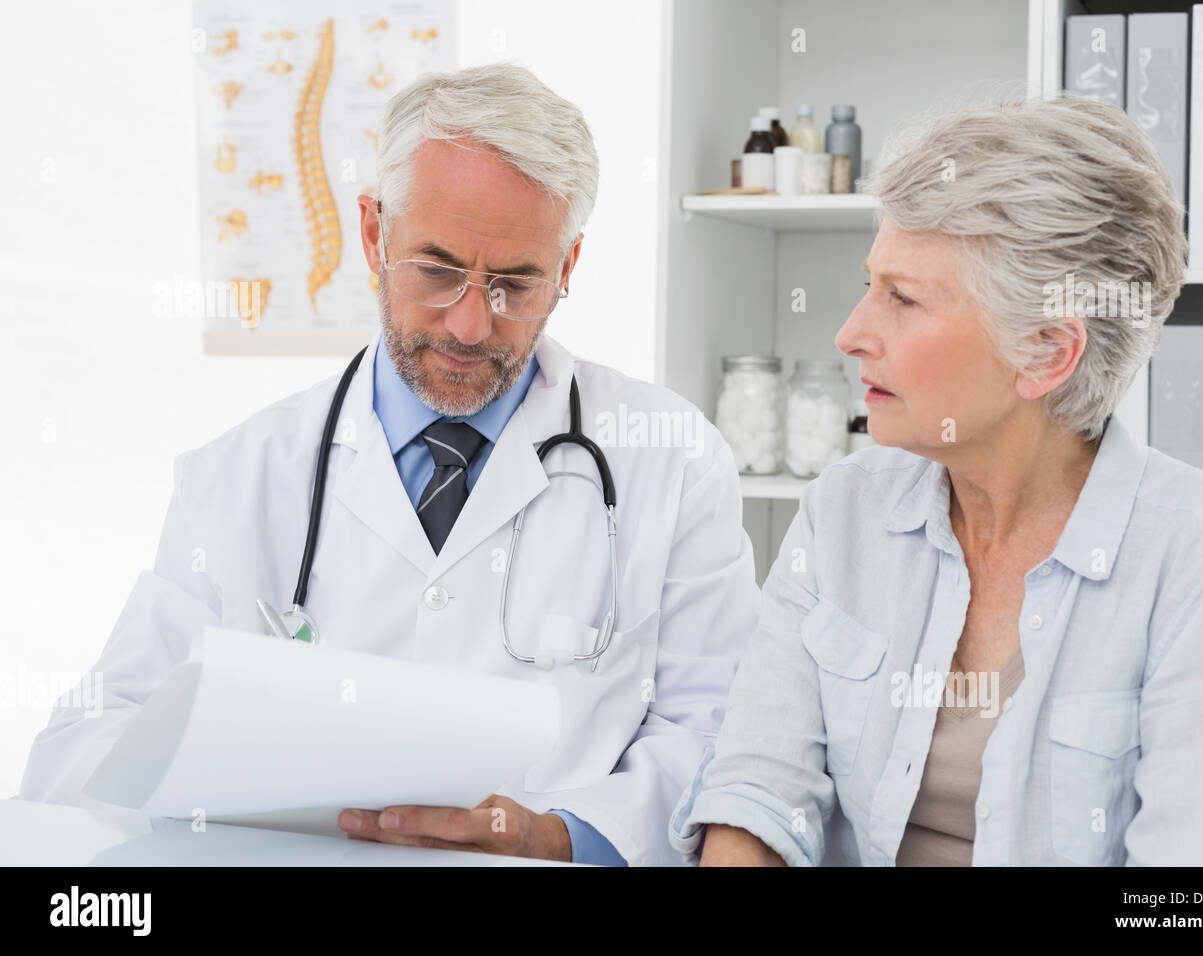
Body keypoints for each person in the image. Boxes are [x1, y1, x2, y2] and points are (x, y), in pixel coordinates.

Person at [21, 63, 758, 867]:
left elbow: (723, 738)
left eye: (515, 283)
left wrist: (559, 834)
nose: (471, 324)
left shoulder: (674, 463)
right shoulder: (240, 476)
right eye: (437, 271)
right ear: (374, 234)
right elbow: (82, 749)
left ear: (569, 266)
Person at [669, 95, 1203, 866]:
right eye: (872, 284)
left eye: (902, 298)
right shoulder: (845, 510)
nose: (851, 333)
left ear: (1046, 353)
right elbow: (756, 791)